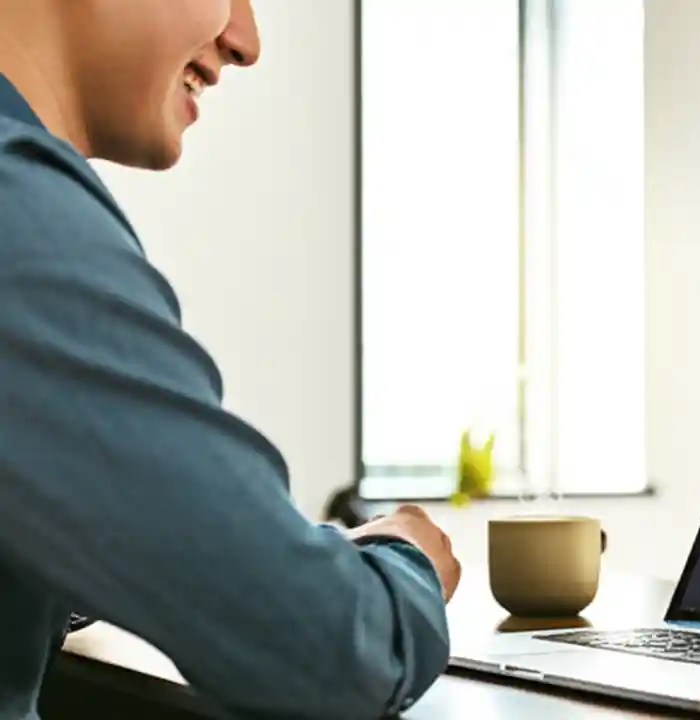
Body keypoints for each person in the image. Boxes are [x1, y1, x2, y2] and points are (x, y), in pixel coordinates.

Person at [0, 2, 461, 718]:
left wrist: (235, 555)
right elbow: (333, 651)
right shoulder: (19, 215)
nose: (245, 41)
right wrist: (407, 559)